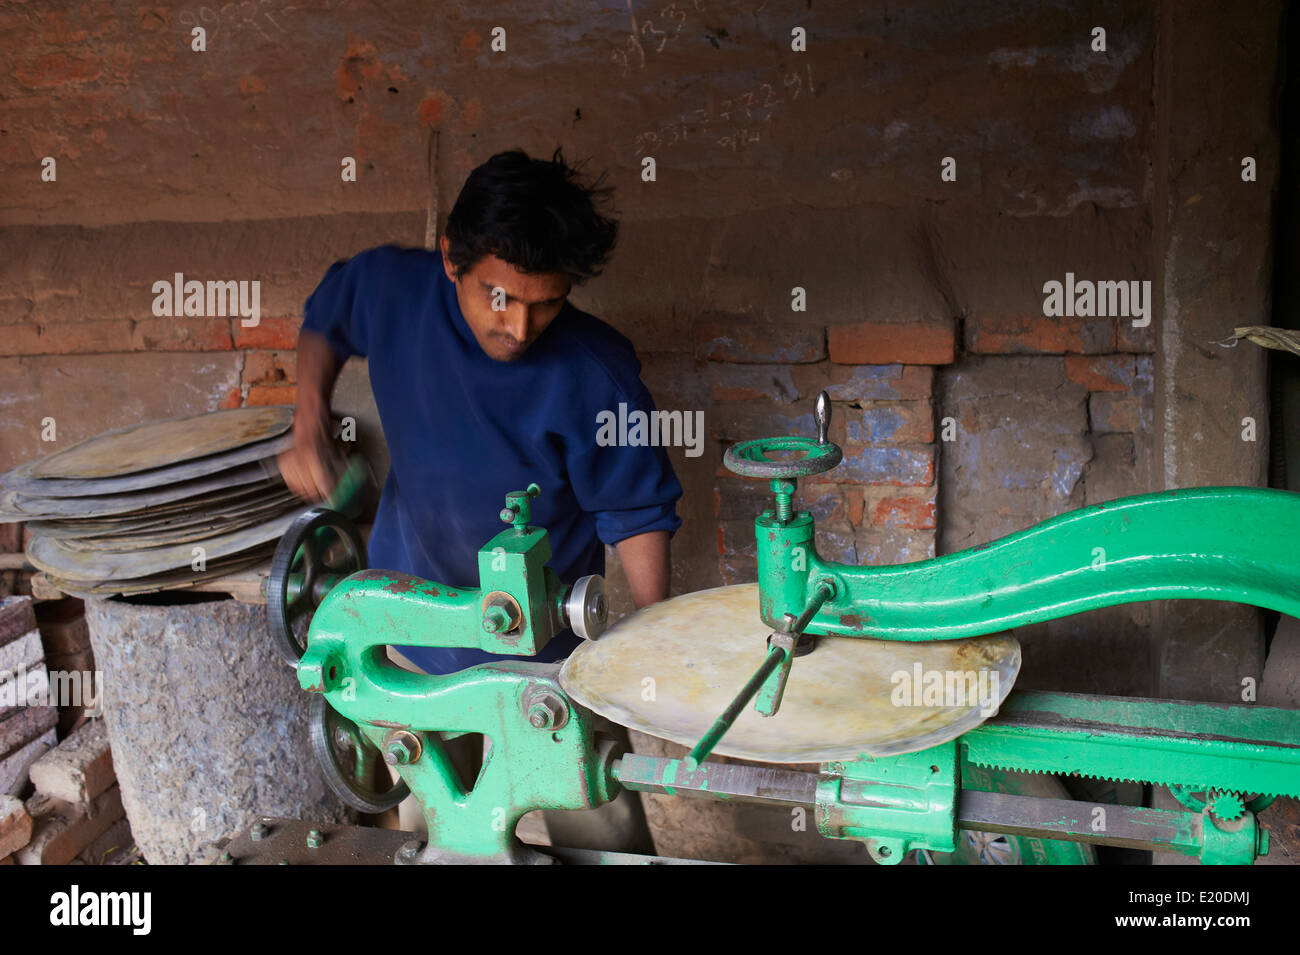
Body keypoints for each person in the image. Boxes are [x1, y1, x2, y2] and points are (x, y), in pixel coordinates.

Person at [279, 147, 682, 855]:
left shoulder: (595, 375)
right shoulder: (394, 293)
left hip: (552, 660)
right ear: (450, 260)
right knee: (437, 838)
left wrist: (644, 654)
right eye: (501, 297)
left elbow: (639, 513)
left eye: (546, 304)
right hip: (411, 639)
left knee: (604, 836)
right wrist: (308, 417)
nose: (521, 329)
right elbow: (328, 314)